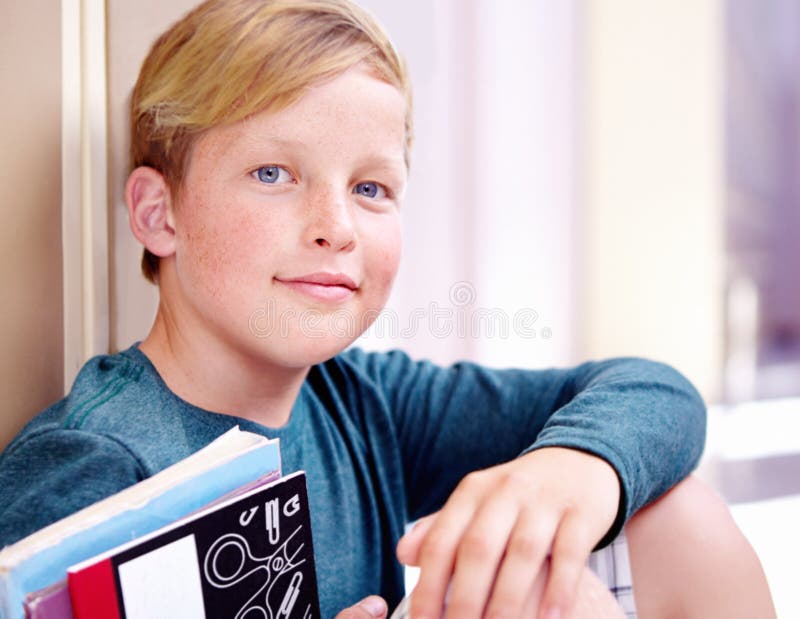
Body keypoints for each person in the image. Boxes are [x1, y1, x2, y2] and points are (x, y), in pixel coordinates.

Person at [0, 1, 775, 617]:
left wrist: (572, 471)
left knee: (679, 523)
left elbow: (658, 394)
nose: (335, 225)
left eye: (371, 188)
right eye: (274, 172)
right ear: (158, 214)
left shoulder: (362, 400)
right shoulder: (92, 465)